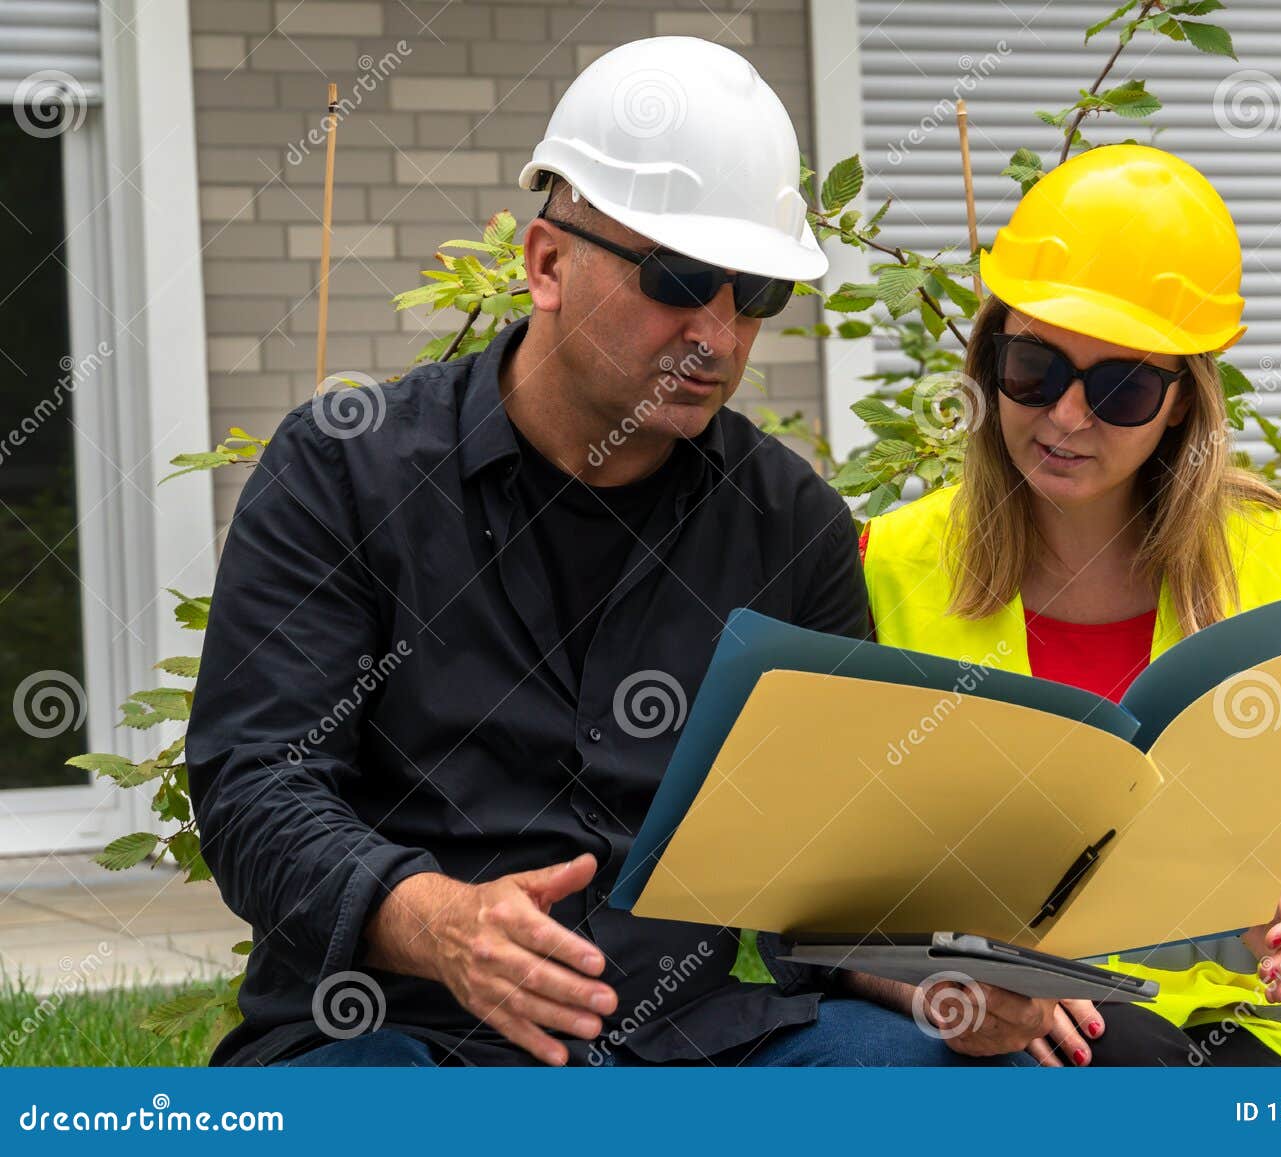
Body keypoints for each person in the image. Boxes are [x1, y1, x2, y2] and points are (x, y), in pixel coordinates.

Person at [188, 35, 951, 1069]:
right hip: (402, 1032)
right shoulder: (344, 471)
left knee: (916, 1069)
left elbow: (823, 863)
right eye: (680, 277)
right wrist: (436, 921)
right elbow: (254, 784)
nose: (717, 335)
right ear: (547, 263)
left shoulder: (788, 524)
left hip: (694, 1048)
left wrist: (938, 972)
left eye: (755, 295)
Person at [851, 144, 1281, 1067]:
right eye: (1034, 368)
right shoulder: (894, 561)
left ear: (1180, 403)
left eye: (1122, 386)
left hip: (1230, 1028)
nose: (1067, 416)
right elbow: (840, 892)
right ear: (990, 358)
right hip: (1002, 1029)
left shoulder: (1277, 557)